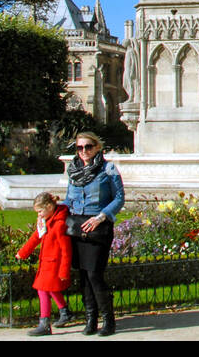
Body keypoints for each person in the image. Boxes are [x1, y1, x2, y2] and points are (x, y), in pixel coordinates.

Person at [64, 131, 125, 337]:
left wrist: (101, 216)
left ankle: (108, 320)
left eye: (88, 147)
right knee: (83, 275)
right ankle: (90, 319)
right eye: (80, 147)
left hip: (98, 226)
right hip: (77, 227)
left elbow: (119, 198)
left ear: (97, 147)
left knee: (94, 274)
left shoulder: (108, 169)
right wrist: (49, 212)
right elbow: (68, 200)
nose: (84, 151)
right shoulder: (73, 171)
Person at [16, 191, 73, 336]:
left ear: (49, 207)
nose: (39, 215)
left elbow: (66, 250)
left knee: (42, 290)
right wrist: (23, 253)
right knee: (51, 289)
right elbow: (36, 237)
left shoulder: (59, 224)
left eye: (40, 211)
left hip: (54, 264)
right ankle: (64, 311)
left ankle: (45, 323)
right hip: (47, 262)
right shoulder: (47, 221)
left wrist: (64, 271)